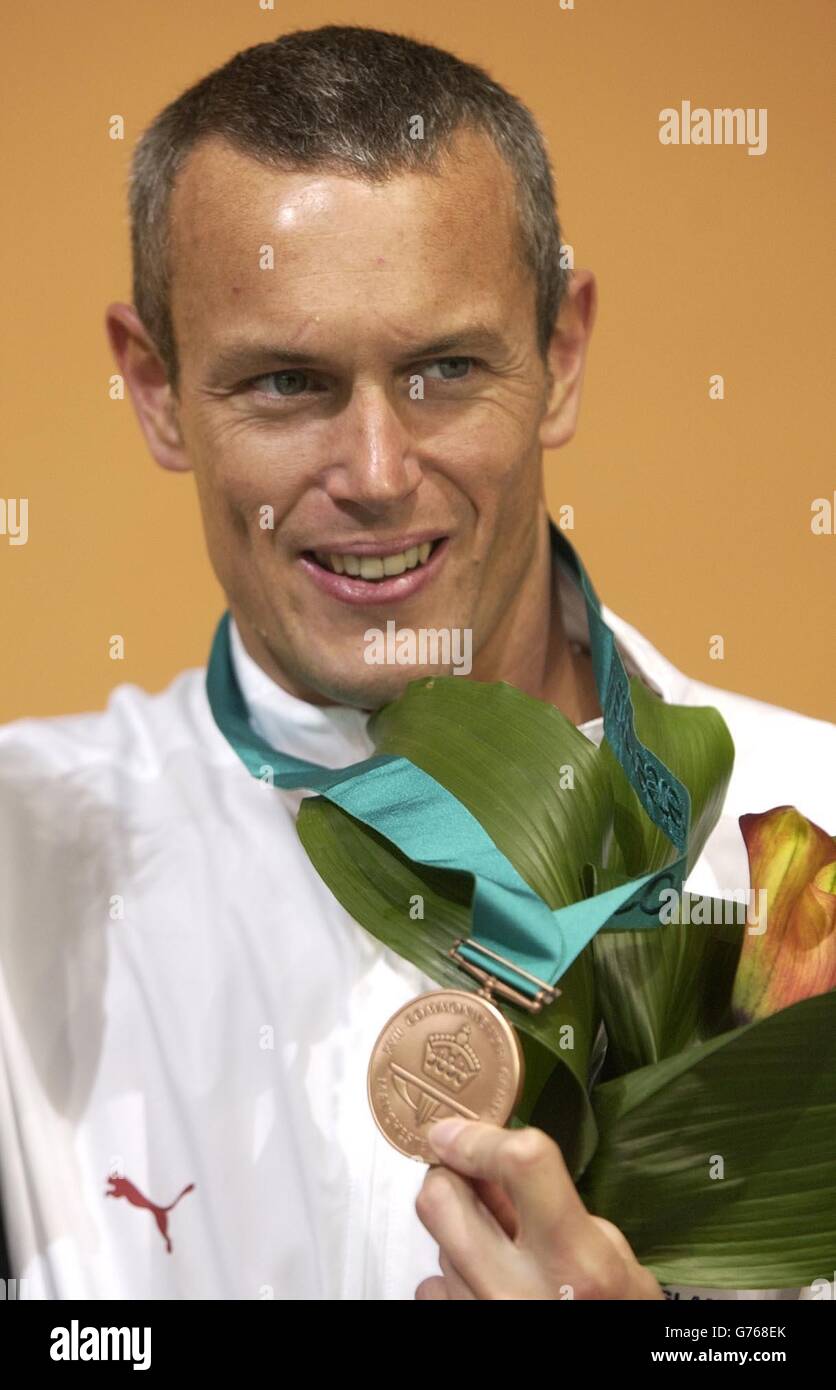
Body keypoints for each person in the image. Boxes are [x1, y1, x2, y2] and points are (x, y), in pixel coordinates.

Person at [0, 24, 832, 1302]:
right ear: (156, 388)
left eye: (444, 369)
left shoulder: (813, 833)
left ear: (558, 355)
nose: (378, 474)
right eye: (285, 383)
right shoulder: (25, 881)